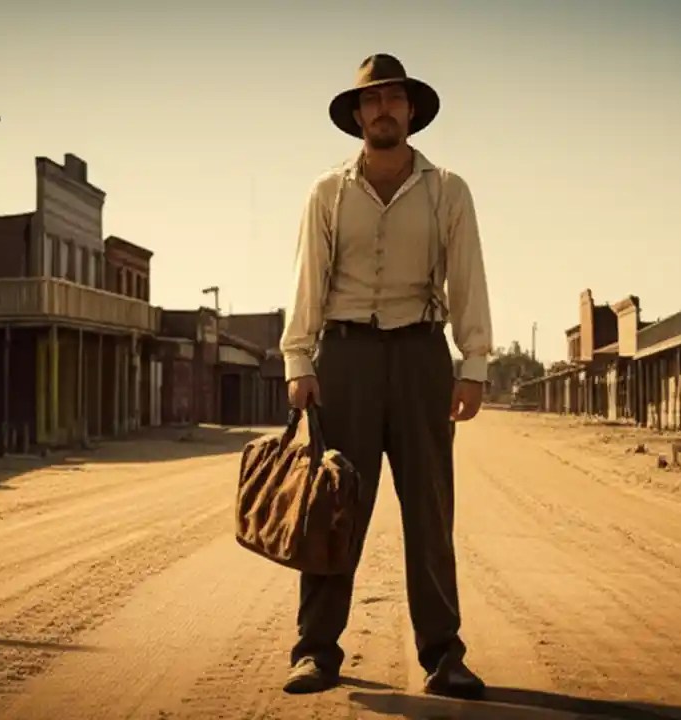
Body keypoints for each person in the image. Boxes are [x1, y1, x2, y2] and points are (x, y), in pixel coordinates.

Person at [278, 53, 493, 699]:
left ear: (412, 110)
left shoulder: (448, 189)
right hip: (346, 357)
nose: (383, 109)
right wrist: (299, 359)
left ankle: (443, 656)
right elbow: (307, 279)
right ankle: (316, 651)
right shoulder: (328, 191)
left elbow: (469, 276)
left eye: (393, 98)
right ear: (356, 115)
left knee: (429, 510)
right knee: (333, 508)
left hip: (423, 355)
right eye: (371, 101)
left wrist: (474, 363)